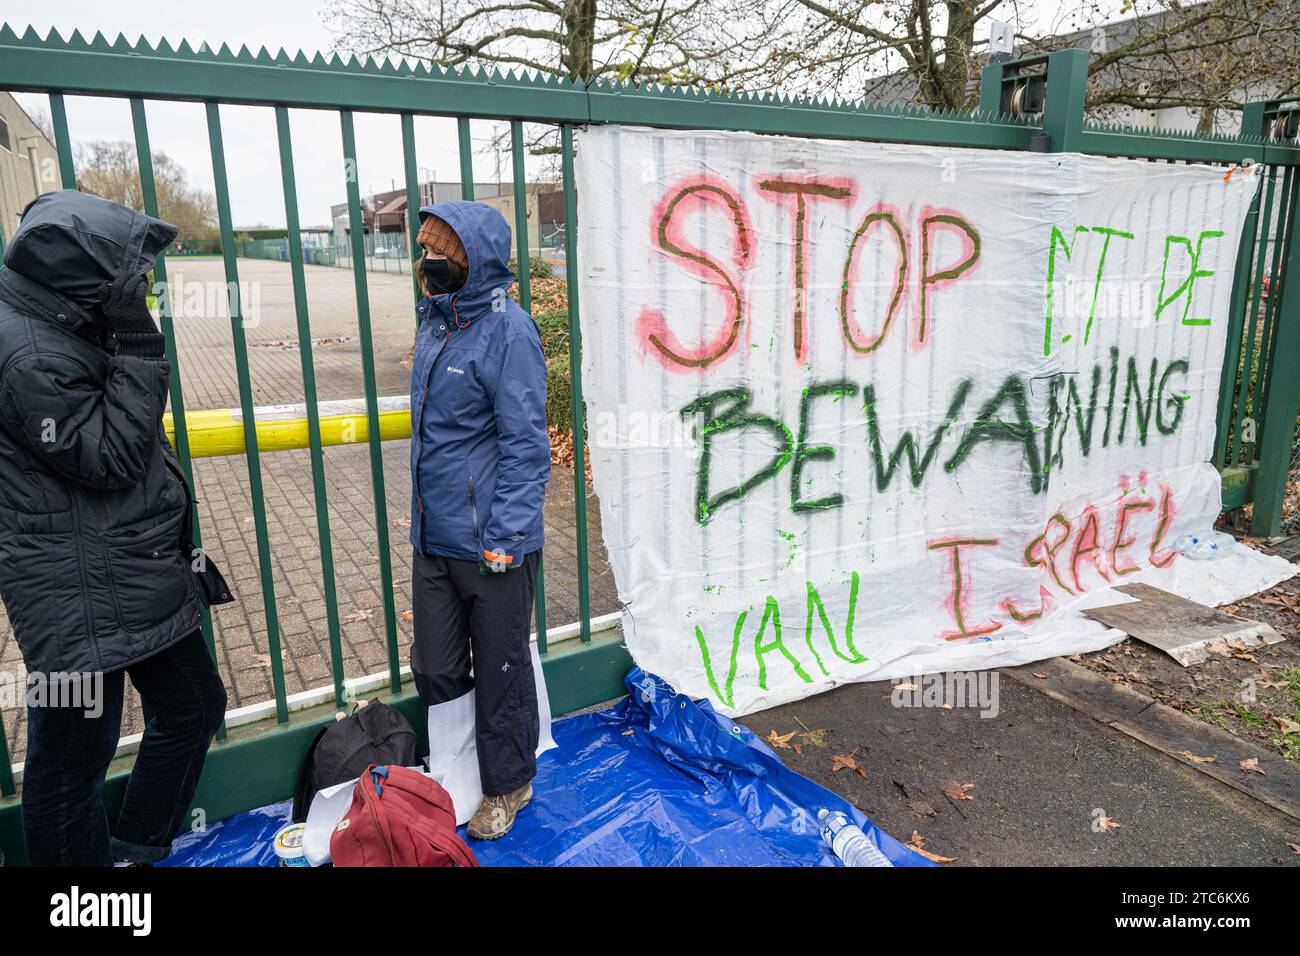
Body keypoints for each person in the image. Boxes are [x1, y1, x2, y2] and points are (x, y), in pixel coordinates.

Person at [0, 190, 230, 866]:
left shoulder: (54, 318)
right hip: (75, 594)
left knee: (193, 706)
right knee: (70, 767)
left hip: (126, 571)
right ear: (81, 273)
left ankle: (133, 853)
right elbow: (111, 456)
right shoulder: (24, 355)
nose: (145, 287)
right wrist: (137, 346)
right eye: (132, 275)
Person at [408, 201, 550, 840]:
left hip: (492, 543)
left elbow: (526, 444)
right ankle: (455, 772)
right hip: (435, 538)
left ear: (470, 261)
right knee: (436, 666)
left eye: (437, 249)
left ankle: (507, 782)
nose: (424, 260)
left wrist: (507, 535)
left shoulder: (510, 332)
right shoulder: (434, 323)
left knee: (500, 670)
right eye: (421, 246)